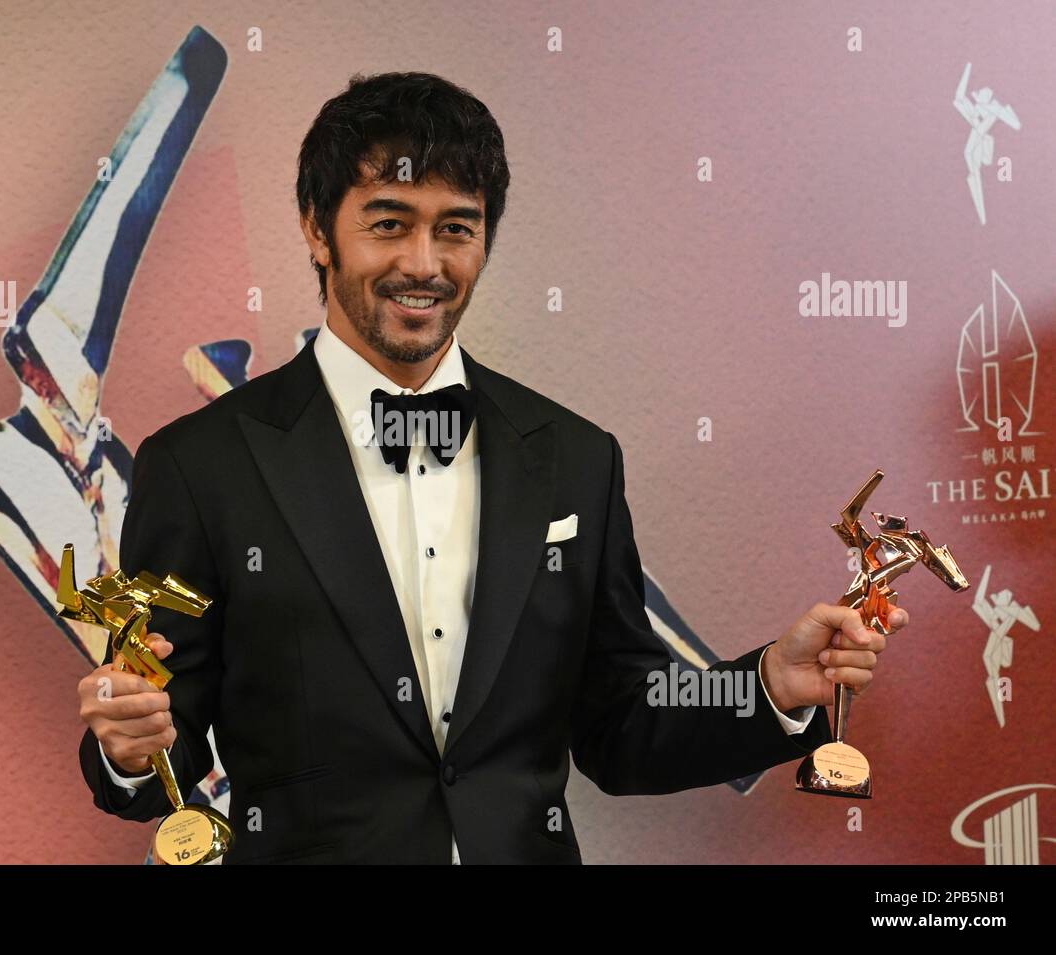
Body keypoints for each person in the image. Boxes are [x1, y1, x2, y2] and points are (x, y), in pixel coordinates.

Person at [77, 71, 904, 864]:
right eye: (389, 223)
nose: (425, 265)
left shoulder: (574, 457)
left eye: (457, 229)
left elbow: (620, 720)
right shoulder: (200, 466)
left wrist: (763, 684)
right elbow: (163, 739)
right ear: (316, 228)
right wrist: (126, 747)